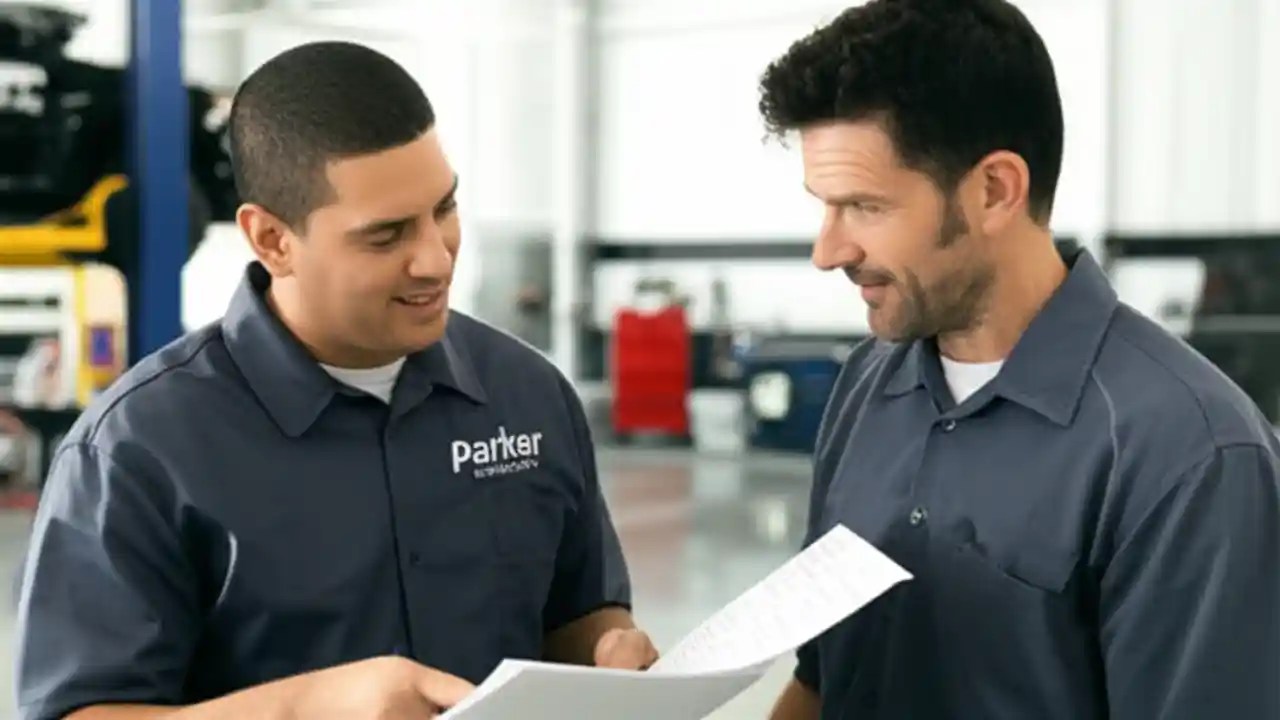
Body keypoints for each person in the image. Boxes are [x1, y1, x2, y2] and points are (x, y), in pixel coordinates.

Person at [15, 41, 656, 720]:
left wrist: (607, 654)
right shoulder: (137, 451)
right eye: (386, 237)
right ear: (271, 240)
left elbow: (578, 612)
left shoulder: (528, 394)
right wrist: (303, 709)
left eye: (444, 209)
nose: (435, 260)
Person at [757, 2, 1280, 719]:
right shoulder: (866, 386)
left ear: (995, 190)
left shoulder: (1190, 455)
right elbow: (819, 682)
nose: (829, 251)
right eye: (824, 206)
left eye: (865, 207)